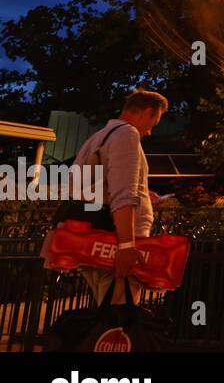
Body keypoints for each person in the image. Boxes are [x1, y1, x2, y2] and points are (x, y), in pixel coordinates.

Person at [41, 88, 169, 304]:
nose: (149, 131)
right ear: (145, 112)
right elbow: (124, 194)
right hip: (115, 244)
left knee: (107, 313)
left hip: (94, 237)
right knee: (118, 317)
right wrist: (127, 246)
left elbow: (89, 186)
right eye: (153, 123)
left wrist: (143, 194)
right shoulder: (127, 134)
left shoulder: (100, 136)